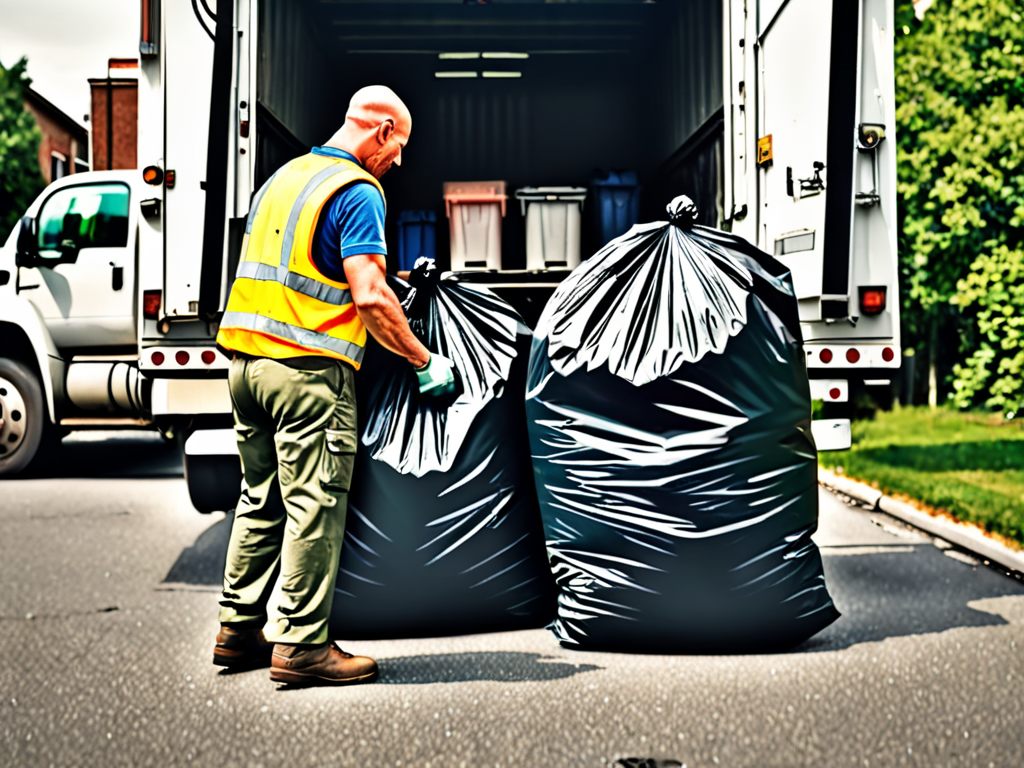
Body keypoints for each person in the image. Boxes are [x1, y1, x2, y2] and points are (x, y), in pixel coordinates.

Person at [211, 85, 455, 686]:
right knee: (314, 500)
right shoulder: (357, 191)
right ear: (380, 133)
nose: (398, 163)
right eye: (399, 147)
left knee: (260, 496)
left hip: (246, 365)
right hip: (305, 372)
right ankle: (301, 647)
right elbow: (368, 295)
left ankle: (237, 629)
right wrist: (422, 359)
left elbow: (310, 264)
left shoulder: (285, 179)